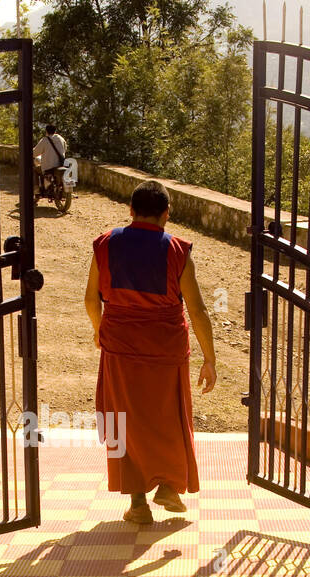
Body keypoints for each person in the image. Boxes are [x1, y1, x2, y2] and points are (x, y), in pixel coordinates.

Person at [84, 180, 217, 524]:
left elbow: (90, 299)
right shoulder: (176, 250)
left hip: (121, 345)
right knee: (169, 417)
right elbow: (198, 310)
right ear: (166, 215)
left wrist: (100, 331)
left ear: (130, 211)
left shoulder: (106, 244)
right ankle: (170, 487)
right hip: (165, 348)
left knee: (123, 420)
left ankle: (138, 502)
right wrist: (209, 359)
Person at [32, 123, 68, 196]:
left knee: (35, 170)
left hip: (48, 167)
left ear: (46, 131)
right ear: (55, 131)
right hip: (60, 164)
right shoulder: (61, 139)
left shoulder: (44, 140)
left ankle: (36, 189)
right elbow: (65, 149)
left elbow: (35, 153)